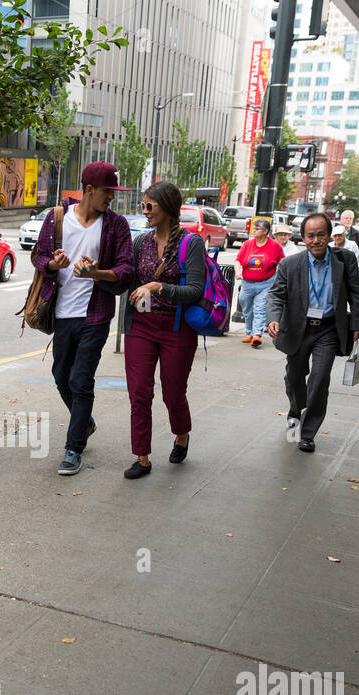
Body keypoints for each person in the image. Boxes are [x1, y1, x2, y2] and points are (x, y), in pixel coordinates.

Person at [31, 160, 135, 476]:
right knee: (61, 375)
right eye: (107, 191)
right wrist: (52, 264)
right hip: (62, 313)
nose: (111, 198)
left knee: (81, 379)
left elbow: (127, 269)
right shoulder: (57, 218)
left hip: (96, 315)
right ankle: (85, 422)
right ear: (89, 190)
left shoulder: (116, 225)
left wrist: (97, 273)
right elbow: (38, 256)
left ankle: (73, 448)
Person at [118, 181, 205, 479]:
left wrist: (158, 287)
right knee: (139, 392)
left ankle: (181, 433)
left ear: (167, 208)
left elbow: (194, 290)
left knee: (172, 392)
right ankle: (141, 457)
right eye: (143, 205)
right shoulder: (140, 242)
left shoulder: (190, 243)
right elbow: (127, 279)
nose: (144, 211)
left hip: (176, 328)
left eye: (149, 206)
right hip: (141, 326)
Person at [266, 213, 359, 454]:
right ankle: (295, 409)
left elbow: (356, 293)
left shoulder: (345, 259)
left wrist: (358, 323)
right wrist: (273, 318)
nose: (316, 240)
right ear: (303, 237)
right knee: (294, 378)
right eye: (310, 236)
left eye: (321, 235)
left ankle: (308, 433)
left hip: (329, 329)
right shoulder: (289, 264)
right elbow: (275, 295)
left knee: (320, 379)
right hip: (298, 329)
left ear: (329, 236)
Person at [235, 217, 286, 348]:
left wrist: (280, 279)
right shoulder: (247, 244)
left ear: (266, 231)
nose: (254, 230)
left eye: (257, 229)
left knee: (259, 308)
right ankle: (249, 332)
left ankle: (257, 334)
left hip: (266, 283)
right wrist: (238, 272)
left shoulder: (275, 246)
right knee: (246, 307)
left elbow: (283, 263)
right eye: (254, 228)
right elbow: (238, 260)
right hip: (247, 283)